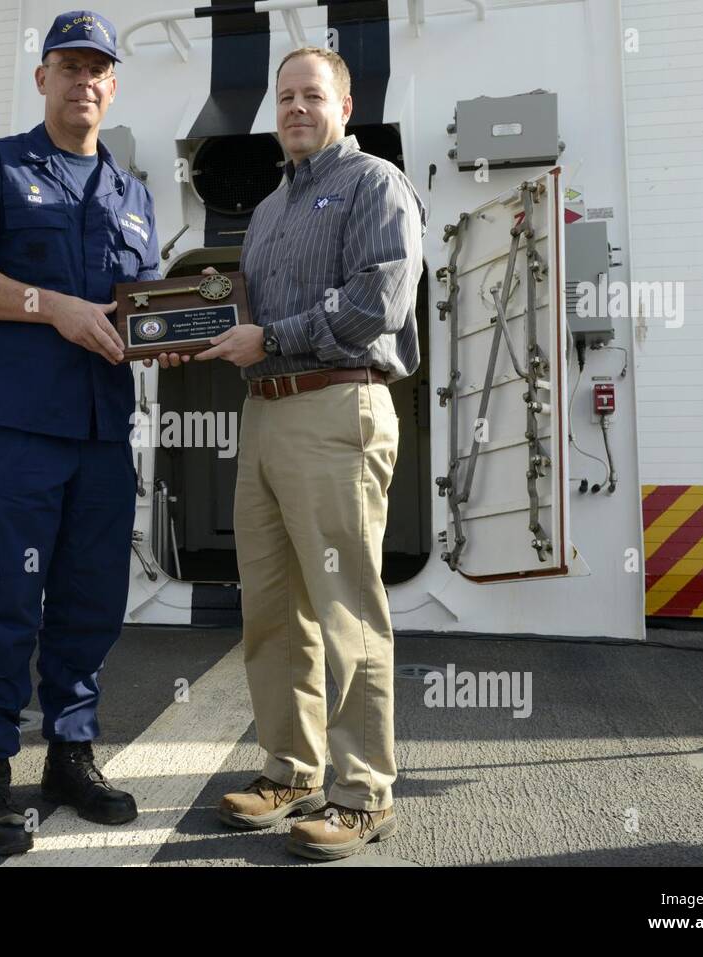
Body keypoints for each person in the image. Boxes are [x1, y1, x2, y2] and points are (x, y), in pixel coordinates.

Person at [0, 10, 159, 856]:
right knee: (6, 604)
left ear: (112, 86)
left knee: (92, 604)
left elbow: (143, 311)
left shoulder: (134, 195)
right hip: (20, 429)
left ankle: (70, 751)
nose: (84, 82)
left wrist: (191, 323)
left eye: (99, 69)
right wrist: (47, 305)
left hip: (102, 434)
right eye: (69, 66)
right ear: (43, 80)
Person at [192, 46, 426, 861]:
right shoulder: (266, 211)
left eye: (311, 95)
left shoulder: (375, 186)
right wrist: (200, 334)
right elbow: (245, 313)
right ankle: (291, 768)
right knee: (272, 607)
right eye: (285, 97)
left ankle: (363, 793)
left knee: (345, 607)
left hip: (337, 404)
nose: (295, 108)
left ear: (345, 105)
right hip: (266, 413)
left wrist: (270, 338)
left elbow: (376, 302)